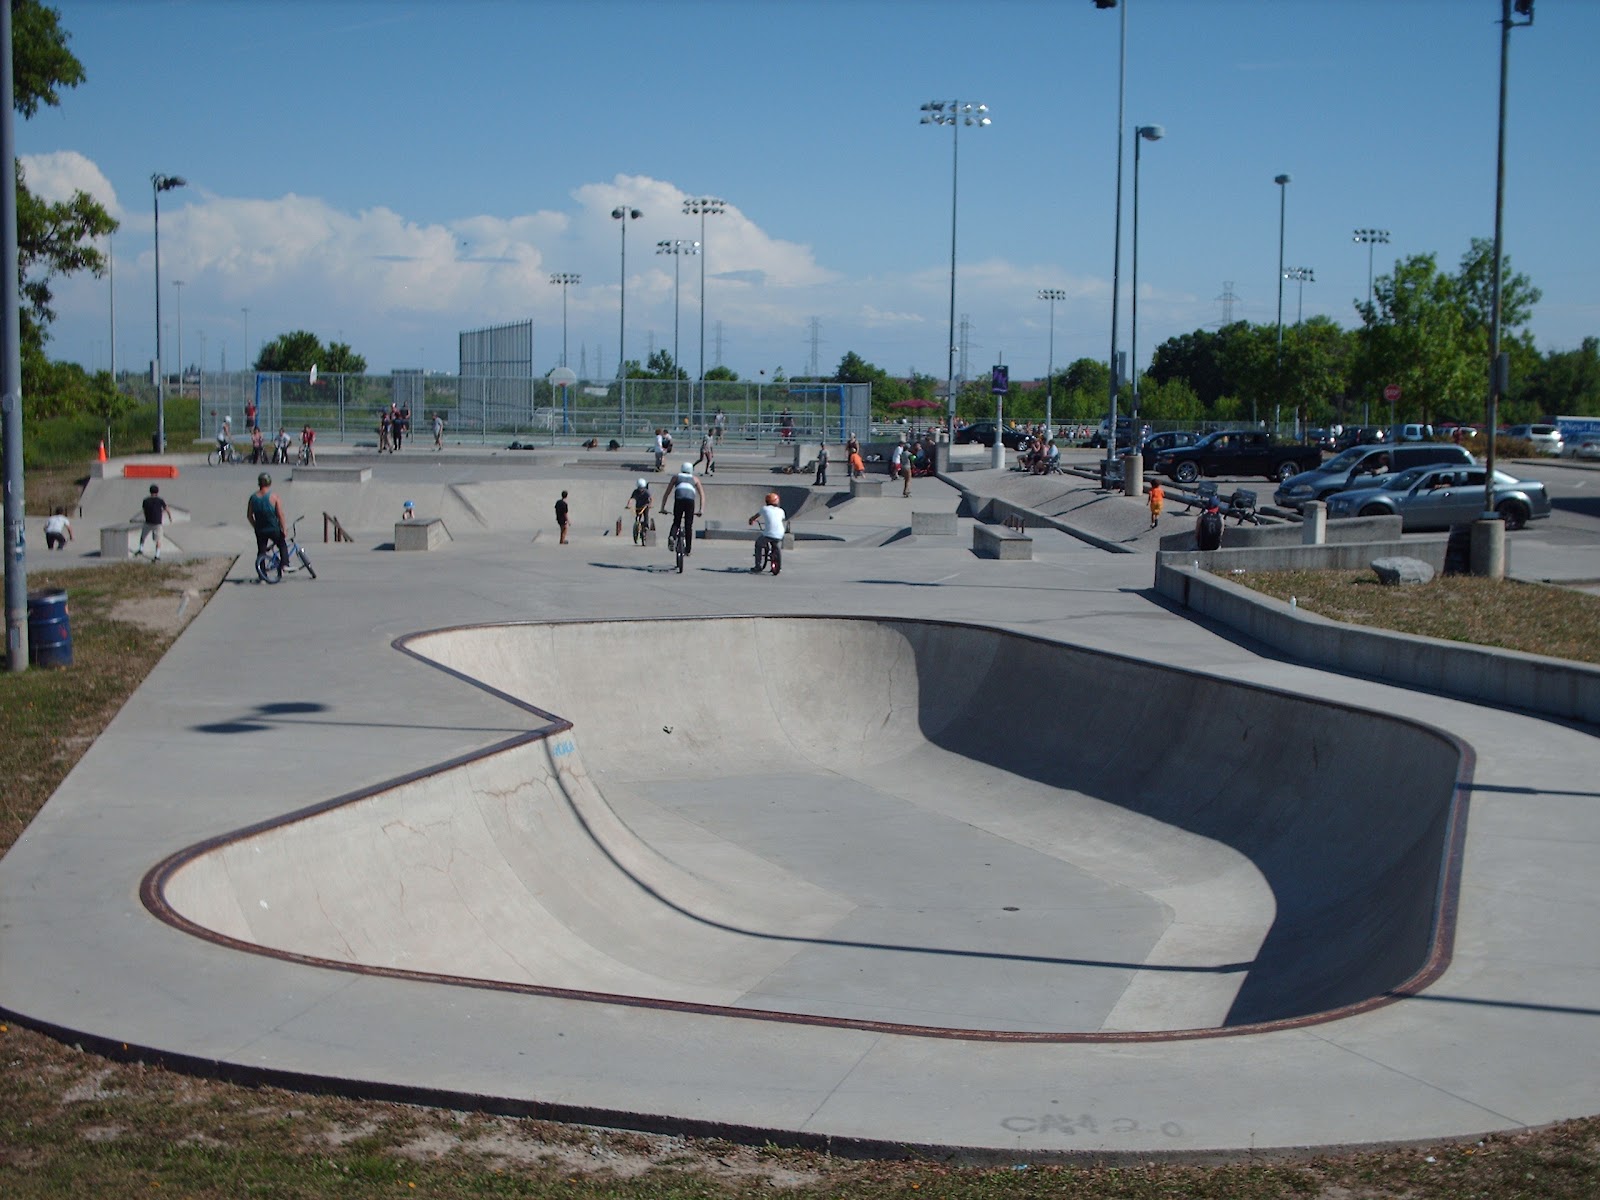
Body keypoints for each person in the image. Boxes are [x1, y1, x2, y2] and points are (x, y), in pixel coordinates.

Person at [659, 461, 705, 556]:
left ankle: (672, 536)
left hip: (679, 499)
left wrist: (662, 508)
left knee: (676, 521)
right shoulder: (695, 479)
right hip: (690, 501)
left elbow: (667, 493)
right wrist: (701, 509)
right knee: (688, 526)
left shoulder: (676, 477)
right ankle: (688, 549)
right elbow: (702, 495)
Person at [248, 472, 289, 571]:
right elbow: (280, 515)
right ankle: (284, 564)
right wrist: (284, 528)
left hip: (260, 529)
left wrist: (255, 526)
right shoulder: (274, 497)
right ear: (269, 483)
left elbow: (249, 516)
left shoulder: (253, 498)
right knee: (282, 544)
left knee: (261, 551)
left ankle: (262, 574)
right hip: (273, 528)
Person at [748, 492, 786, 575]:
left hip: (768, 533)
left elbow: (755, 517)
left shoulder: (764, 509)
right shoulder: (781, 511)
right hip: (780, 533)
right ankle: (779, 565)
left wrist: (751, 520)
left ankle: (758, 566)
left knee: (758, 544)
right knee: (775, 543)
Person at [136, 484, 169, 559]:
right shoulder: (160, 500)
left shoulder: (145, 500)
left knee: (143, 536)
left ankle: (141, 549)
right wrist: (170, 517)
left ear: (150, 491)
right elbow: (166, 508)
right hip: (157, 523)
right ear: (157, 492)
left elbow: (144, 510)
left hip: (148, 522)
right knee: (159, 540)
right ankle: (157, 555)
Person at [626, 476, 654, 543]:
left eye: (642, 488)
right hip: (638, 507)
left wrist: (650, 504)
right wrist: (628, 505)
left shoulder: (646, 492)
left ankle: (646, 529)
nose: (640, 490)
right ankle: (637, 530)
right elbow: (631, 499)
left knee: (646, 518)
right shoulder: (635, 492)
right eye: (639, 488)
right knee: (637, 518)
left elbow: (651, 498)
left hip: (645, 507)